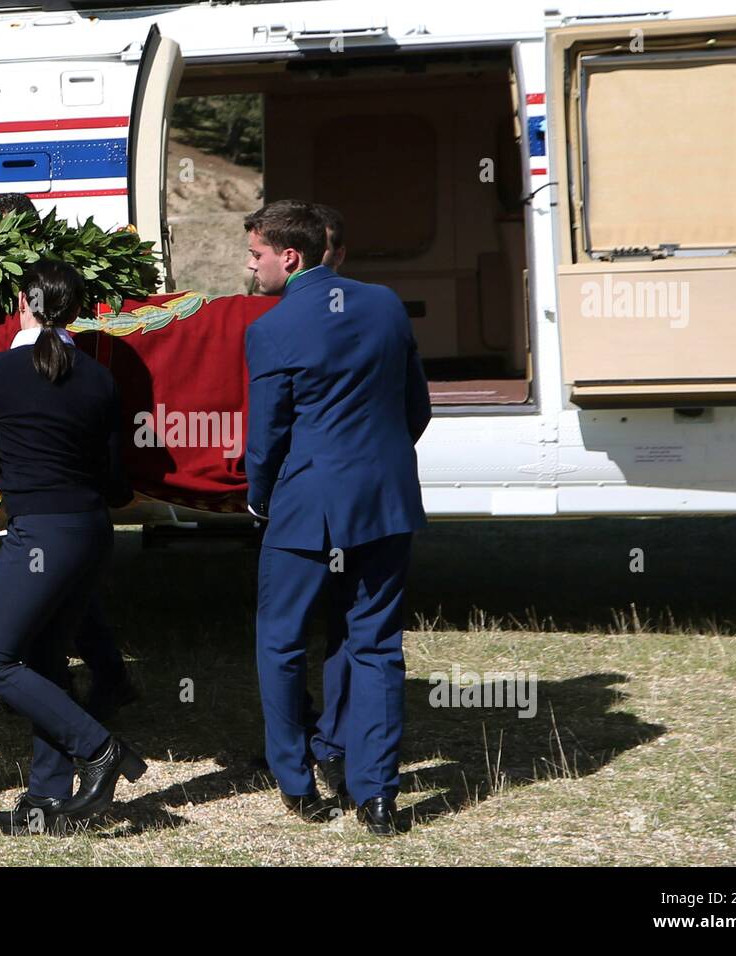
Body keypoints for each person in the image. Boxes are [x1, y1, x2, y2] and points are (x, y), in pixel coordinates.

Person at [243, 199, 431, 835]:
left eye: (256, 254)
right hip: (385, 497)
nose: (251, 267)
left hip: (306, 503)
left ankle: (297, 783)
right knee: (375, 643)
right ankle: (377, 793)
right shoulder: (383, 303)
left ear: (288, 256)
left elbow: (266, 435)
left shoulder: (271, 327)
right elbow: (416, 409)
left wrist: (259, 494)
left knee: (281, 639)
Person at [0, 258, 143, 836]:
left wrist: (24, 483)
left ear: (22, 300)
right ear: (77, 309)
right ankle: (47, 802)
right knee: (41, 659)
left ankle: (99, 749)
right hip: (90, 529)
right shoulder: (99, 377)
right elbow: (116, 477)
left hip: (42, 530)